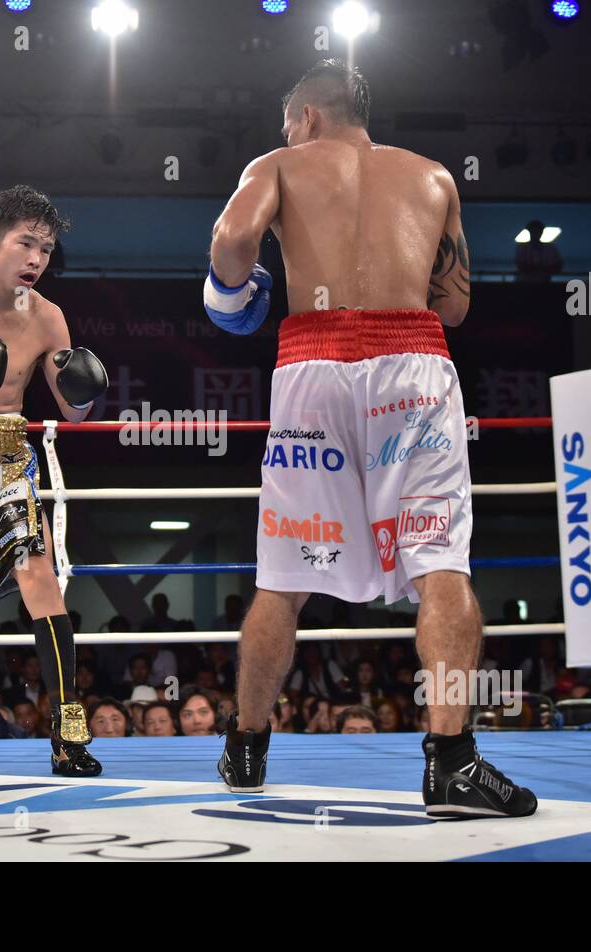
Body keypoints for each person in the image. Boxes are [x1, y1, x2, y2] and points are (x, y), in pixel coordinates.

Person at [205, 59, 535, 819]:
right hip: (412, 365)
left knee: (284, 573)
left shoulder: (279, 163)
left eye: (288, 122)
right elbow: (455, 306)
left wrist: (232, 292)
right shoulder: (434, 177)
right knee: (440, 563)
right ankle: (451, 764)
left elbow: (231, 238)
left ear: (307, 117)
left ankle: (246, 747)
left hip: (310, 366)